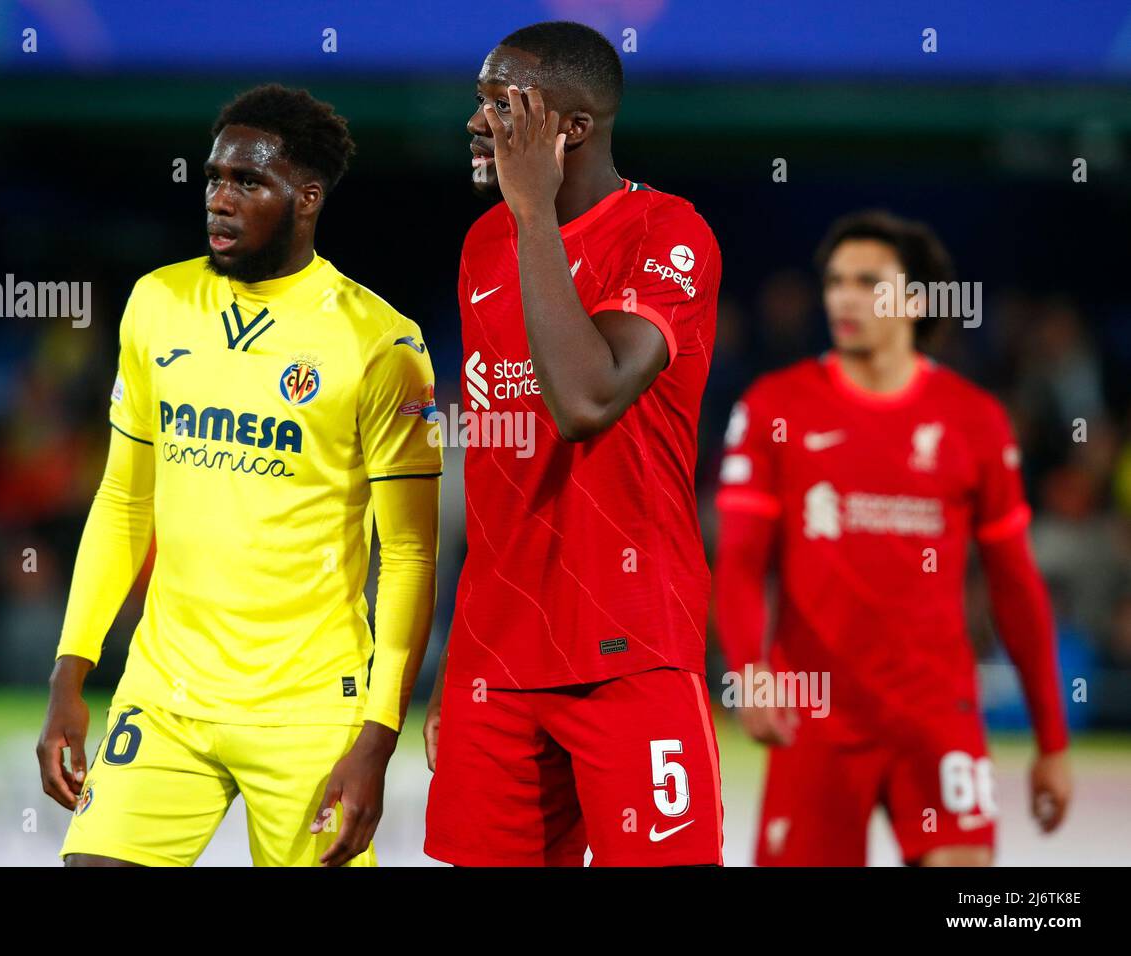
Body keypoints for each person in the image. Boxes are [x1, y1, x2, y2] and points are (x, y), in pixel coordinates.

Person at [35, 84, 442, 867]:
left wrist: (377, 737)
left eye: (248, 182)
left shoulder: (383, 345)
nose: (220, 198)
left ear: (309, 197)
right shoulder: (158, 304)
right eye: (215, 178)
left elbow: (412, 557)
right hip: (166, 697)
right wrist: (70, 672)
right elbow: (123, 501)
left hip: (310, 713)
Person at [423, 21, 724, 866]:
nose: (477, 123)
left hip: (633, 647)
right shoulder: (483, 245)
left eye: (501, 104)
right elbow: (496, 467)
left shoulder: (670, 233)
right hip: (498, 657)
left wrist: (531, 218)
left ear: (573, 128)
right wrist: (462, 659)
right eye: (477, 102)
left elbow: (586, 400)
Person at [714, 209, 1072, 866]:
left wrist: (1052, 741)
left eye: (867, 282)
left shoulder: (975, 420)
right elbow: (739, 562)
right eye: (835, 282)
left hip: (937, 716)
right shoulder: (775, 407)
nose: (844, 297)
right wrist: (751, 670)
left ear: (915, 299)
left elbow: (1015, 586)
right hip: (816, 720)